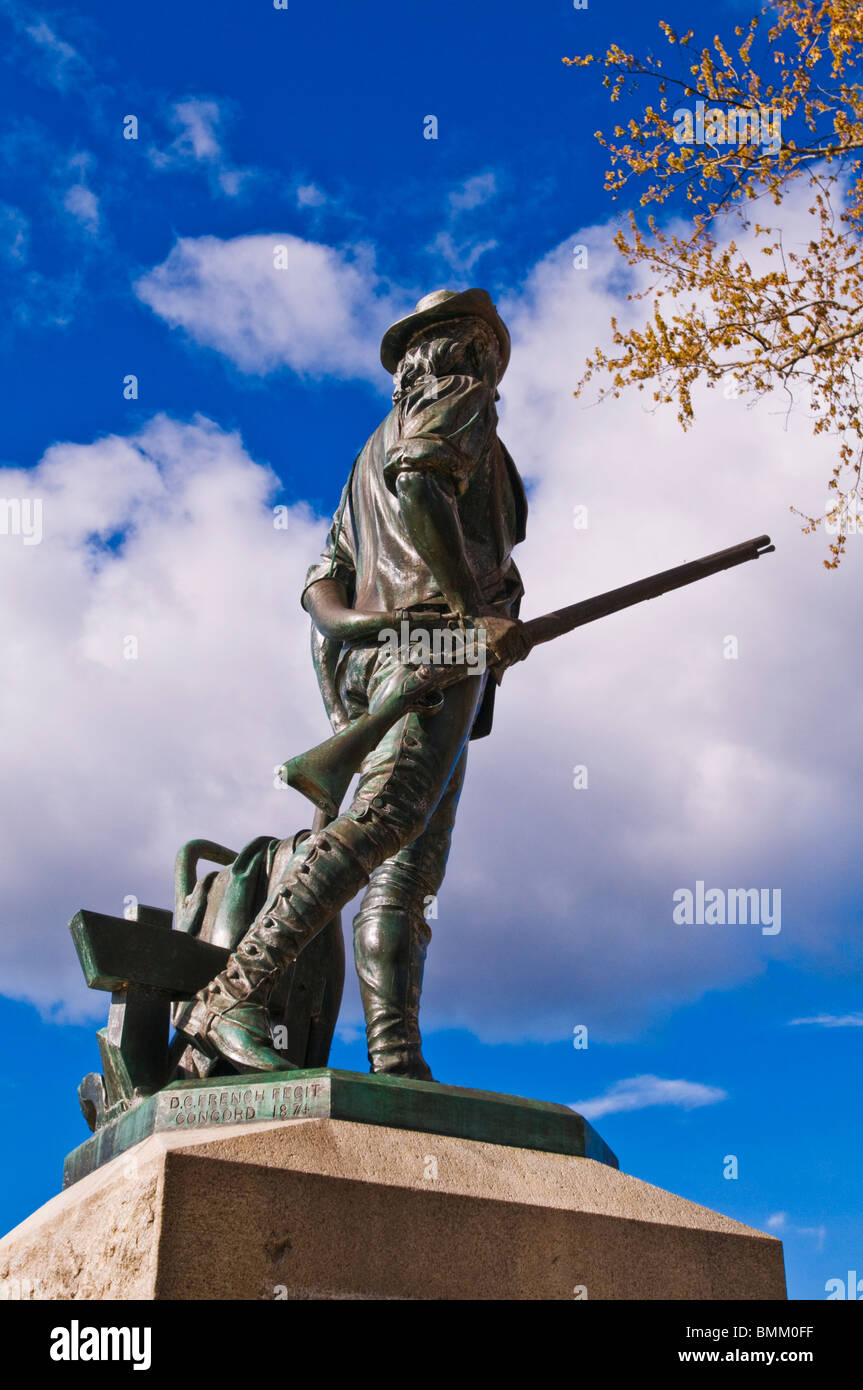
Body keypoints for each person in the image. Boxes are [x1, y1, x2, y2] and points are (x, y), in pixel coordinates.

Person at [178, 288, 529, 1080]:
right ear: (469, 352)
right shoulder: (457, 406)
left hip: (393, 659)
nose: (485, 370)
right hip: (438, 648)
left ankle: (395, 1059)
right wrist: (470, 620)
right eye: (481, 351)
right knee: (386, 827)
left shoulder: (368, 448)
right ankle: (231, 994)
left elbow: (323, 590)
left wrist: (354, 657)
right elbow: (421, 483)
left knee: (405, 868)